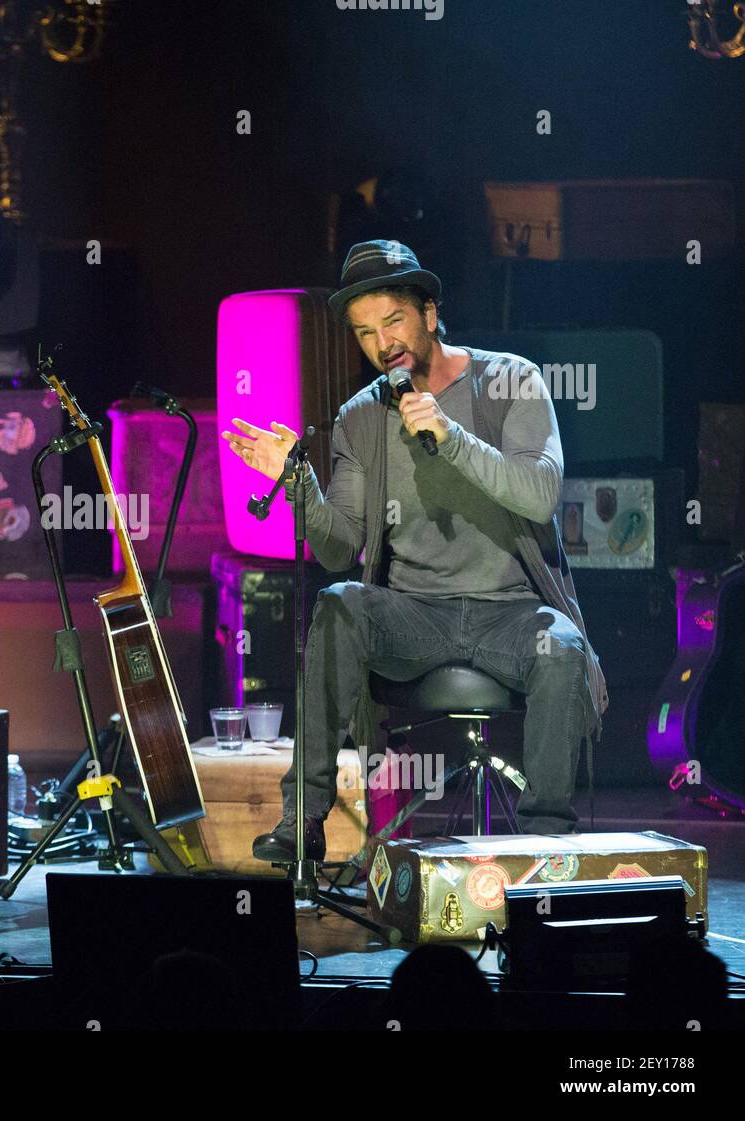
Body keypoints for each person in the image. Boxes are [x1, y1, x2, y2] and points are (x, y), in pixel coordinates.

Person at [222, 241, 607, 861]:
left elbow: (538, 495)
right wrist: (299, 485)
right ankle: (303, 824)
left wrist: (448, 435)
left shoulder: (511, 379)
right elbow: (339, 546)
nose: (382, 344)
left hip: (509, 611)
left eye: (393, 321)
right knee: (338, 603)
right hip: (414, 616)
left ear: (429, 312)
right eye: (365, 332)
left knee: (560, 648)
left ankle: (545, 843)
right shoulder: (360, 417)